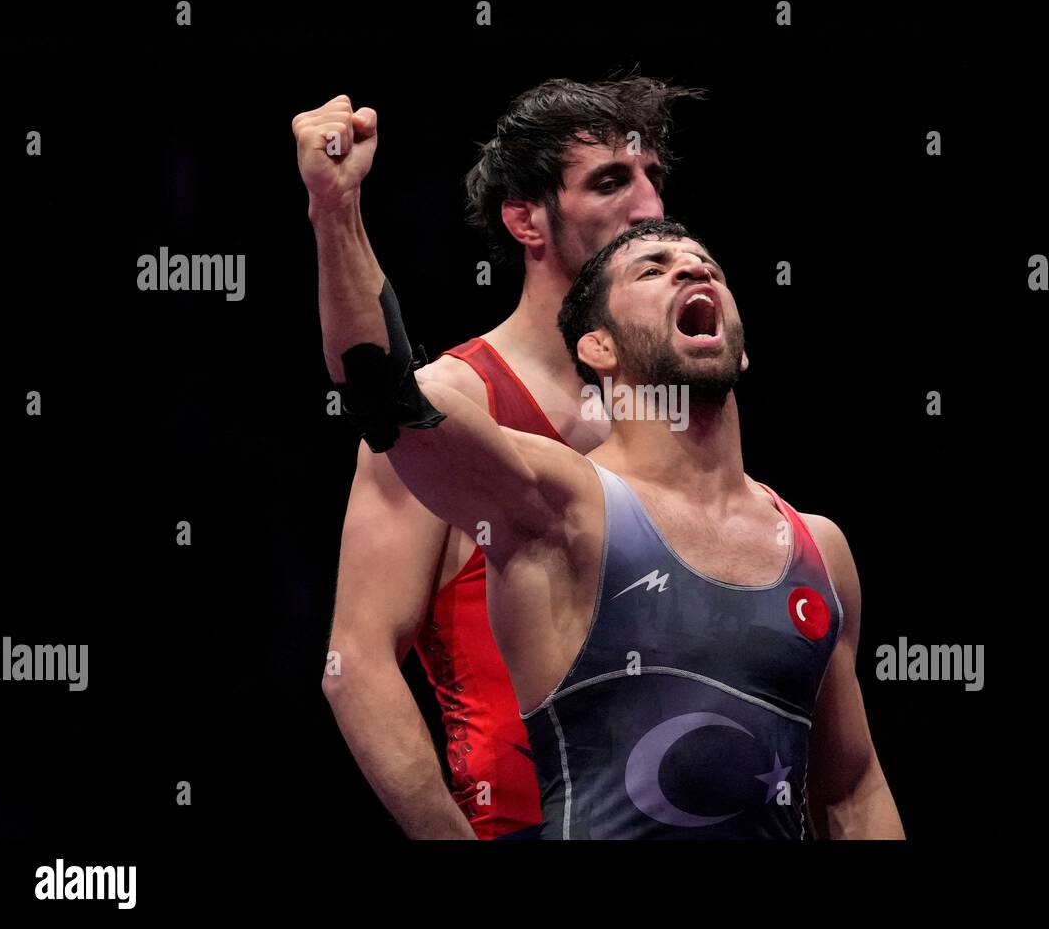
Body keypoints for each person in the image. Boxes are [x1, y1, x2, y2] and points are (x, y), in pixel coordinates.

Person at [322, 217, 905, 838]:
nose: (692, 269)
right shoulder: (557, 505)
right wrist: (336, 211)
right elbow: (387, 399)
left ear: (740, 348)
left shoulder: (821, 547)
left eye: (707, 264)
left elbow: (851, 791)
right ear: (598, 347)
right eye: (652, 269)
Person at [293, 77, 702, 838]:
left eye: (655, 180)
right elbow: (357, 664)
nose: (650, 208)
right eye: (611, 181)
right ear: (525, 219)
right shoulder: (455, 400)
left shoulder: (673, 414)